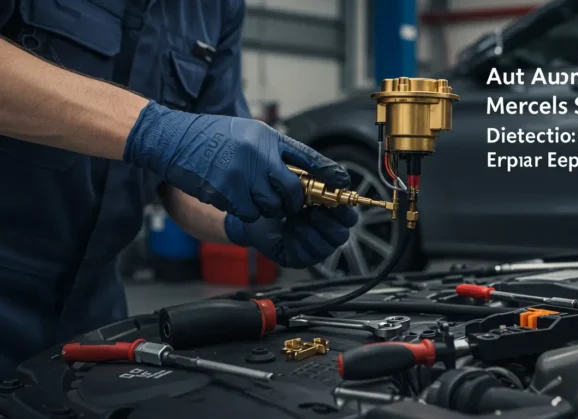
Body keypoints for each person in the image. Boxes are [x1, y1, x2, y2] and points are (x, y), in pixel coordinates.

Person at [0, 1, 357, 378]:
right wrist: (156, 131)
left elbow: (185, 177)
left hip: (95, 311)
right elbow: (174, 143)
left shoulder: (216, 9)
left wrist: (247, 221)